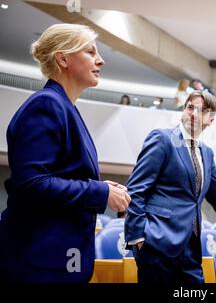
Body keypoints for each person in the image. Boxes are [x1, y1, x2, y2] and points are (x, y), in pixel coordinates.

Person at [0, 23, 131, 283]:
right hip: (38, 262)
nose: (101, 60)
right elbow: (32, 184)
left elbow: (62, 175)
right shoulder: (46, 104)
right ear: (63, 58)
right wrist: (101, 192)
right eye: (91, 52)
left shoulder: (65, 106)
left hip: (57, 260)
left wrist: (101, 186)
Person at [125, 91, 216, 284]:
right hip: (156, 244)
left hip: (191, 246)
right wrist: (137, 238)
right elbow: (136, 189)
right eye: (190, 107)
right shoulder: (162, 139)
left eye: (201, 111)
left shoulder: (207, 153)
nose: (194, 114)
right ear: (183, 110)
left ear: (211, 120)